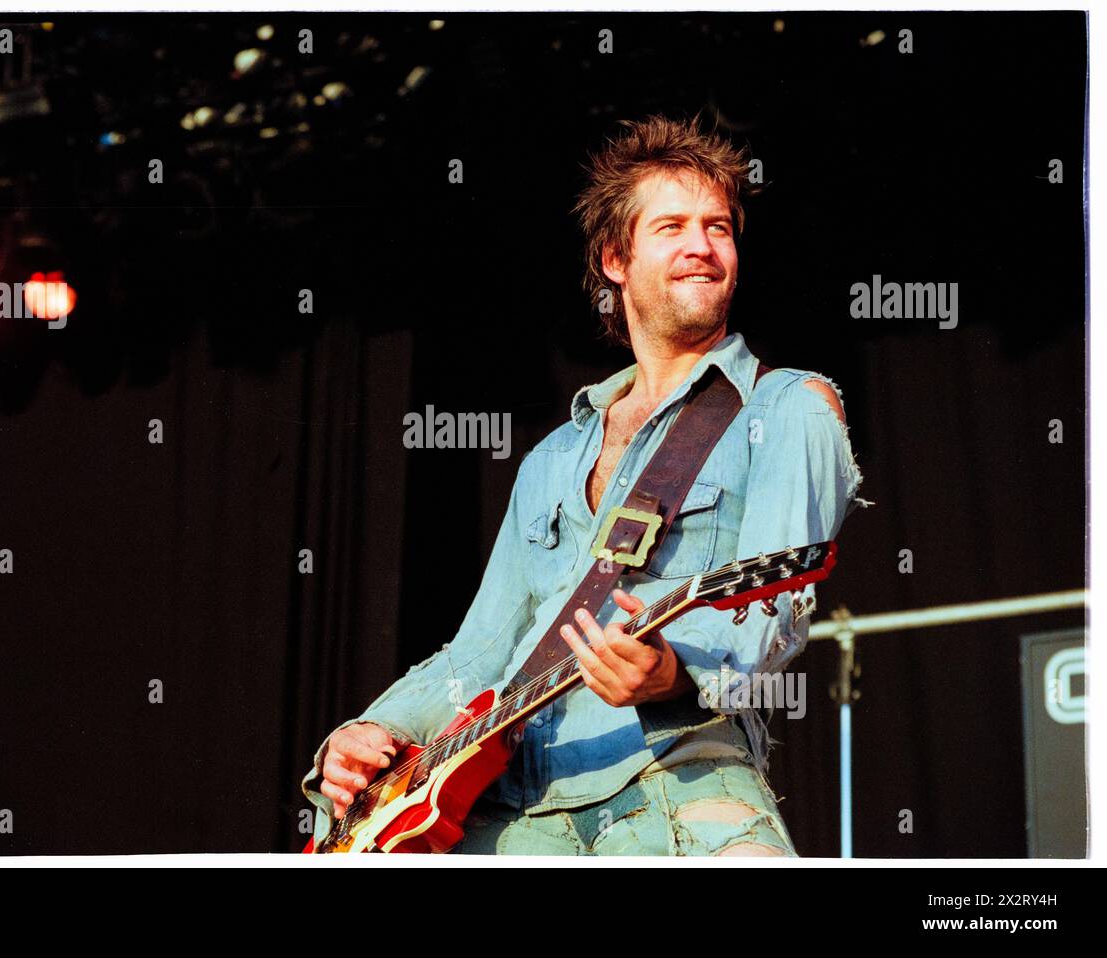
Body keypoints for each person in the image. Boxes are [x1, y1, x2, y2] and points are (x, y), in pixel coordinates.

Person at [300, 113, 870, 855]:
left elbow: (772, 614)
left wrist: (670, 670)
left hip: (680, 787)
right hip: (506, 815)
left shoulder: (790, 408)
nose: (702, 246)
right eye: (672, 227)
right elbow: (478, 655)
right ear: (614, 259)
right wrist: (378, 728)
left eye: (720, 227)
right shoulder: (551, 460)